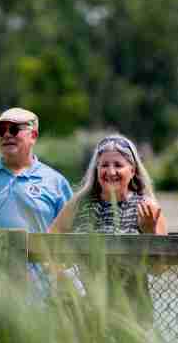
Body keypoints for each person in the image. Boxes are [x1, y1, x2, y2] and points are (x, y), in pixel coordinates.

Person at [49, 134, 166, 321]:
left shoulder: (147, 206)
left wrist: (150, 231)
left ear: (132, 170)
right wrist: (60, 274)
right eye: (104, 165)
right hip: (84, 312)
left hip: (132, 315)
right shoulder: (79, 203)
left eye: (118, 165)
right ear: (96, 169)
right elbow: (49, 238)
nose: (111, 172)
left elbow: (159, 269)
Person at [0, 107, 73, 235]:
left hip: (40, 250)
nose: (7, 135)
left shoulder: (56, 182)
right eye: (1, 130)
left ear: (33, 136)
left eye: (14, 129)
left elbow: (72, 236)